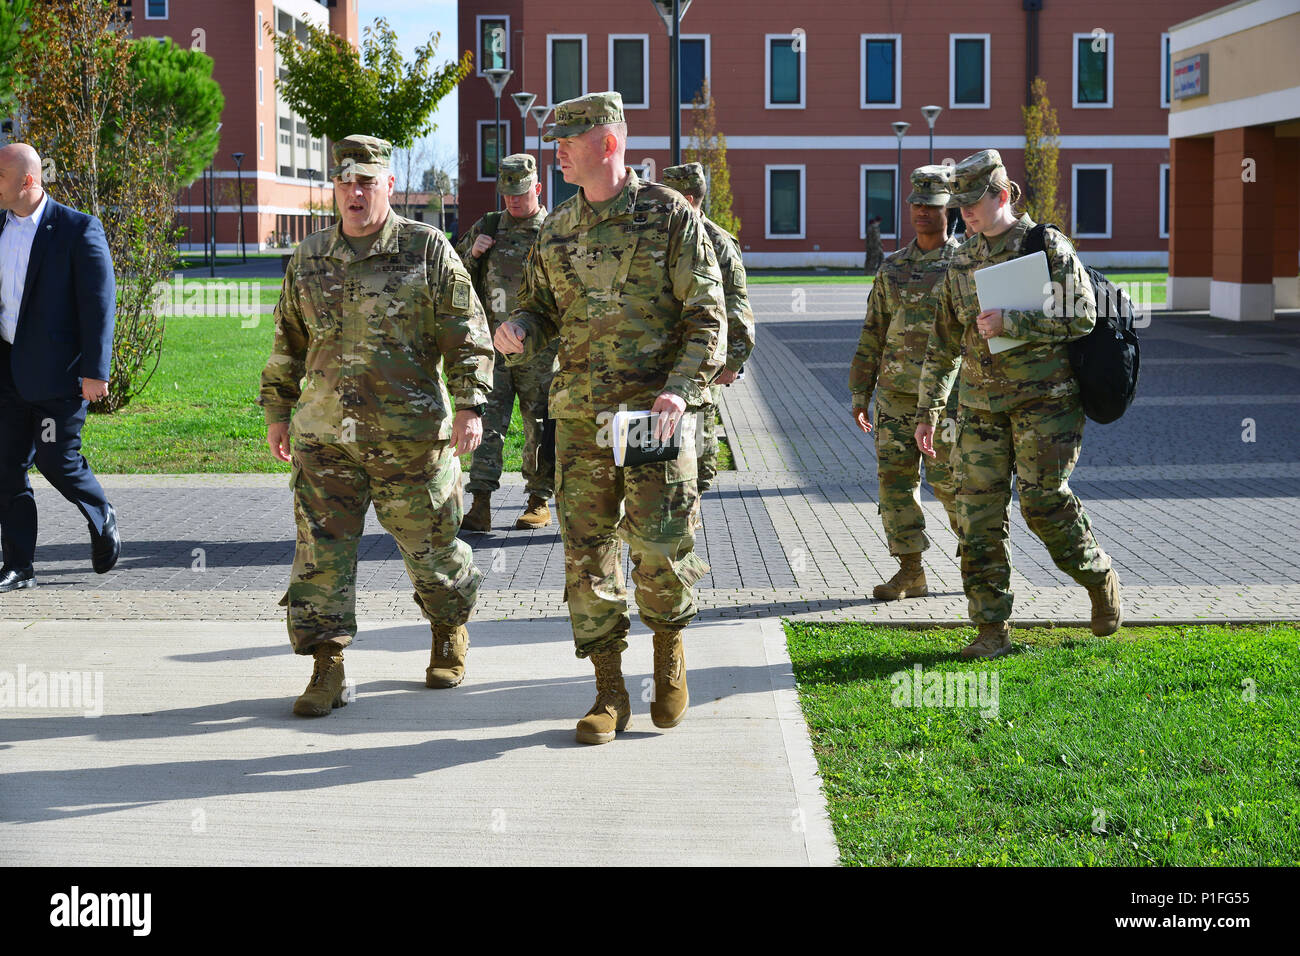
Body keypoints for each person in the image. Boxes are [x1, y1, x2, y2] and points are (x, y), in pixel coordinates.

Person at [494, 92, 726, 745]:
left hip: (653, 414)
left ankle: (669, 649)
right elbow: (539, 308)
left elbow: (708, 318)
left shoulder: (669, 216)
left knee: (657, 546)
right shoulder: (557, 227)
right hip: (581, 419)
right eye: (555, 139)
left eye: (567, 138)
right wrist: (520, 326)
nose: (556, 151)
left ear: (608, 141)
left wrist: (681, 390)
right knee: (587, 556)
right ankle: (608, 692)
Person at [260, 134, 493, 716]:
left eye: (367, 181)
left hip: (410, 439)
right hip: (324, 438)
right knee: (321, 555)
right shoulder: (310, 258)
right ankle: (327, 666)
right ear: (334, 188)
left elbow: (467, 332)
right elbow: (288, 343)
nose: (355, 192)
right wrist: (277, 411)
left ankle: (448, 629)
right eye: (345, 182)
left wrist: (469, 406)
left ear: (388, 185)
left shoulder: (427, 250)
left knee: (431, 550)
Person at [914, 149, 1122, 658]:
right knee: (977, 516)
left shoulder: (1044, 245)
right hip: (981, 409)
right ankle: (991, 629)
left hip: (1045, 406)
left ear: (1002, 195)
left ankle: (1098, 577)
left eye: (974, 202)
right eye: (959, 203)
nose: (964, 212)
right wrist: (929, 410)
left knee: (1042, 504)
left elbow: (1083, 316)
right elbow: (943, 342)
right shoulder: (961, 258)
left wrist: (1014, 323)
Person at [0, 142, 120, 593]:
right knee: (5, 468)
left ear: (28, 181)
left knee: (56, 460)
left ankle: (100, 513)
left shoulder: (77, 229)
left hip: (58, 375)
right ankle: (19, 566)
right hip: (6, 372)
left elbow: (98, 305)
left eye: (1, 176)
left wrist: (97, 371)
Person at [850, 165, 962, 601]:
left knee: (954, 486)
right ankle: (910, 571)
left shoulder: (964, 266)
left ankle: (980, 568)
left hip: (948, 403)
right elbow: (872, 332)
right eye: (915, 203)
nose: (920, 211)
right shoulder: (893, 268)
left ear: (948, 209)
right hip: (894, 399)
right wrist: (860, 391)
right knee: (895, 488)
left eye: (929, 205)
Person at [456, 153, 556, 533]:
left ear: (538, 188)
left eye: (522, 193)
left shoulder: (552, 230)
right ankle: (480, 502)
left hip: (540, 351)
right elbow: (455, 282)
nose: (514, 201)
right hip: (493, 352)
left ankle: (538, 500)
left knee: (540, 425)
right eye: (508, 194)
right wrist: (472, 253)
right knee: (487, 425)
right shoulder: (490, 225)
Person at [661, 162, 755, 500]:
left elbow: (737, 305)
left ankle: (693, 501)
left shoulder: (718, 242)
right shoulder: (664, 237)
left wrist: (733, 362)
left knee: (699, 434)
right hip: (665, 356)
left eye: (667, 197)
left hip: (704, 357)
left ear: (686, 199)